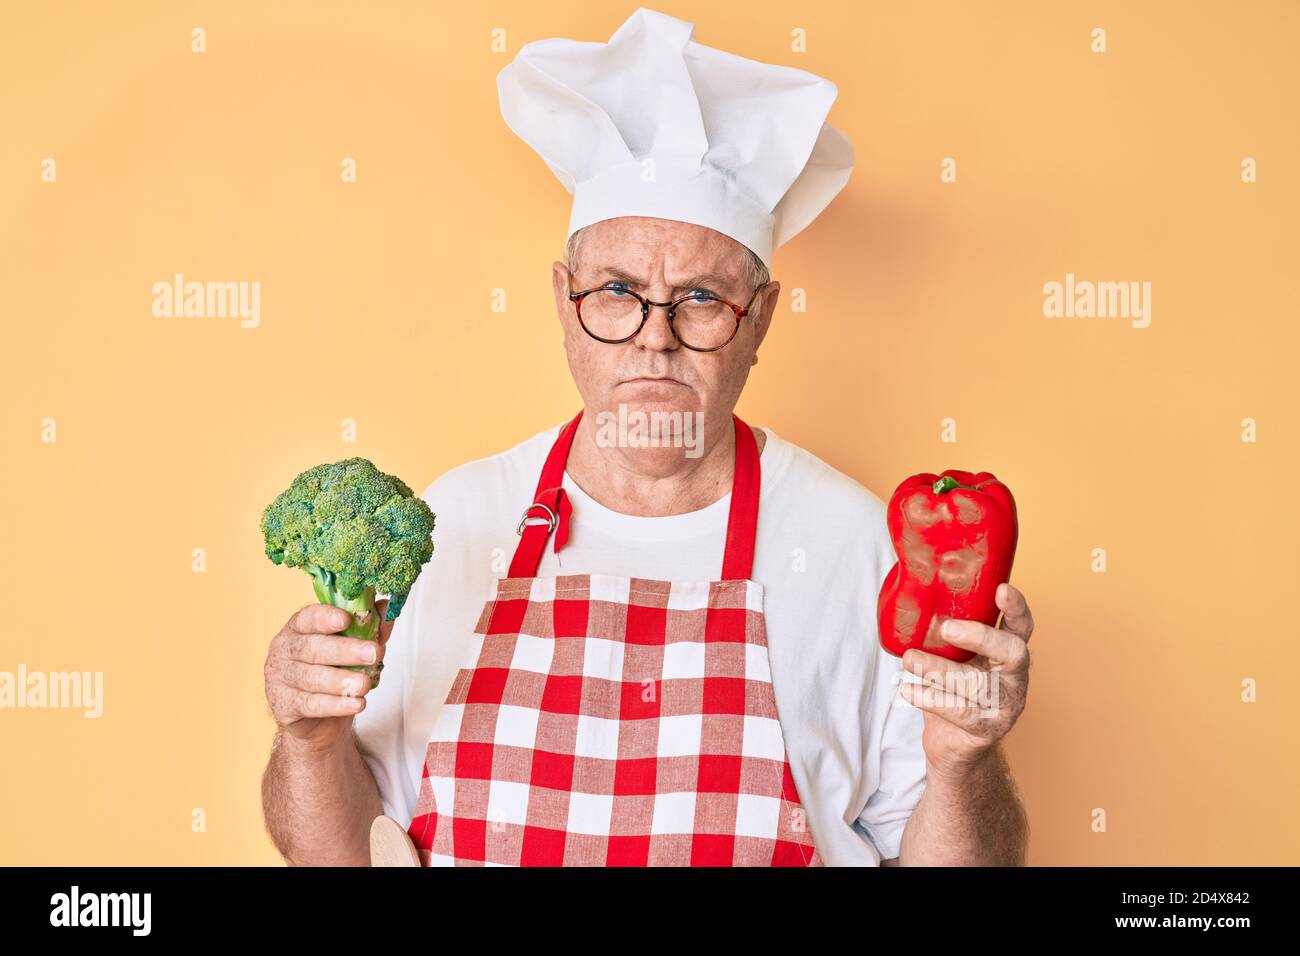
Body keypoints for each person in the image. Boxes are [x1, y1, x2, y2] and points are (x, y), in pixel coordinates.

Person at [261, 7, 1031, 867]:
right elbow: (339, 859)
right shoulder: (455, 524)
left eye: (701, 298)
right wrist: (308, 741)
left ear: (761, 318)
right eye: (618, 291)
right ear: (564, 300)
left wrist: (965, 762)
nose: (653, 338)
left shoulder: (857, 548)